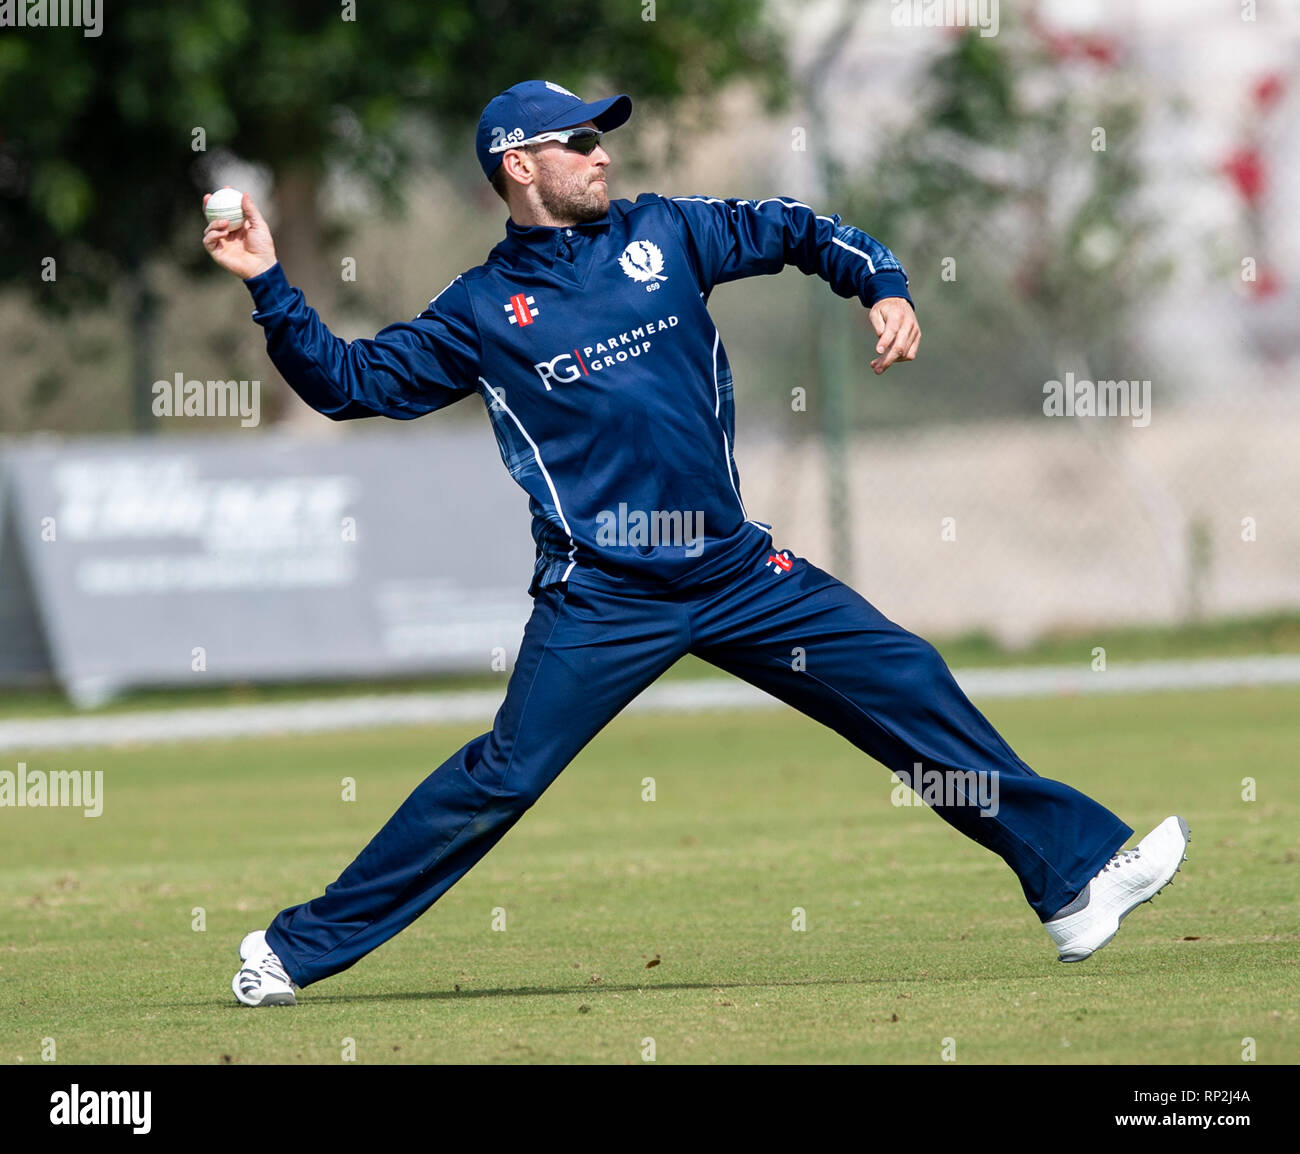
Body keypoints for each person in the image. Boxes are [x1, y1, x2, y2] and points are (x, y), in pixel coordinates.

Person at [204, 80, 1188, 1008]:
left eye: (602, 136)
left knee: (906, 680)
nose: (601, 153)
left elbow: (801, 231)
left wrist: (881, 285)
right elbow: (348, 382)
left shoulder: (665, 231)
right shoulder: (478, 310)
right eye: (578, 140)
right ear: (516, 166)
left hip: (733, 571)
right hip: (605, 594)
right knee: (500, 776)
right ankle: (289, 950)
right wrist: (268, 282)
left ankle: (1069, 883)